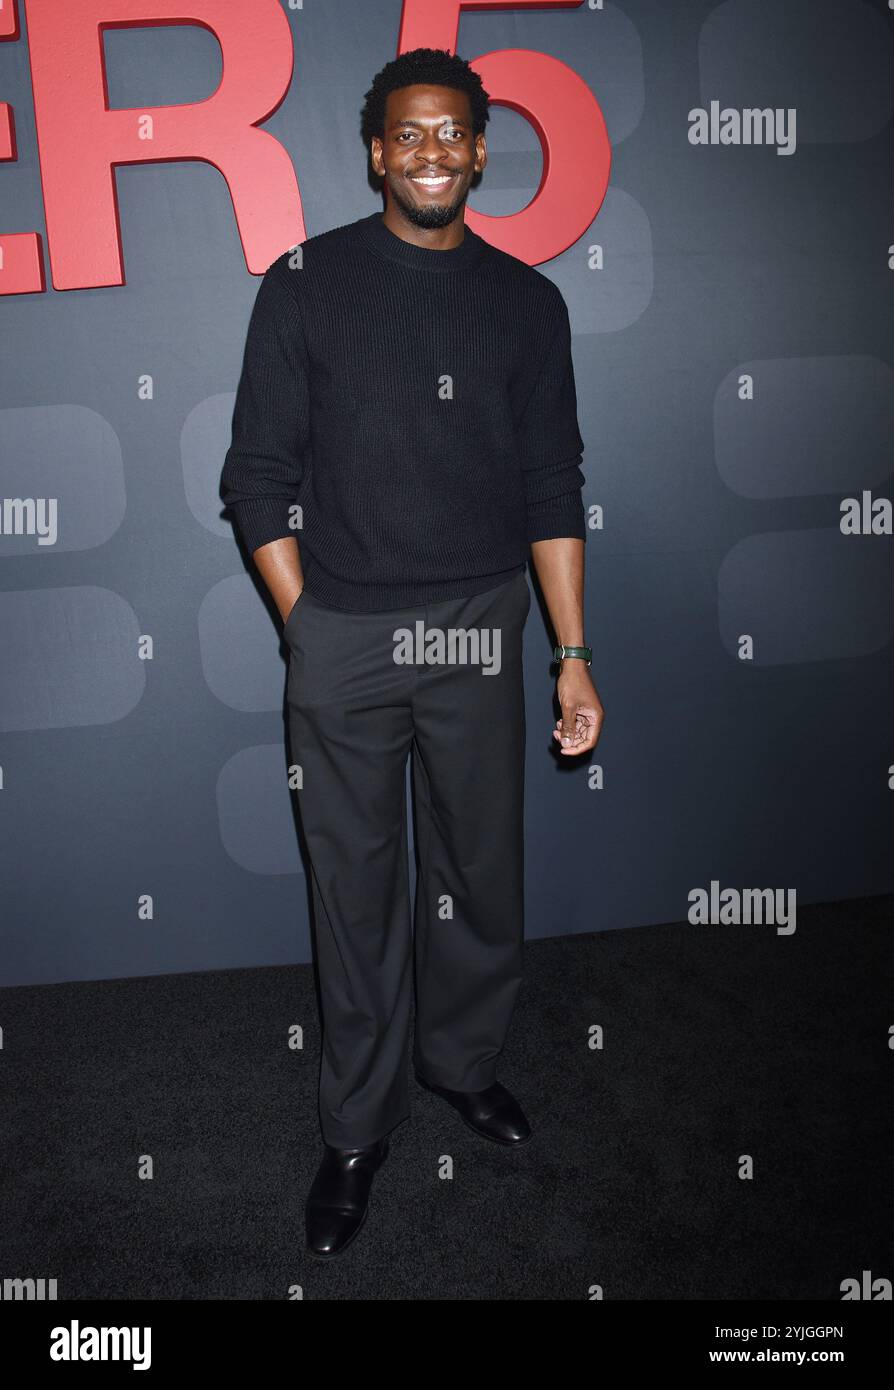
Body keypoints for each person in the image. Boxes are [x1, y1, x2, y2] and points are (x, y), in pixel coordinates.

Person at [220, 46, 604, 1259]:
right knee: (358, 897)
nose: (432, 150)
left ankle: (462, 1064)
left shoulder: (526, 306)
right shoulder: (304, 283)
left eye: (454, 132)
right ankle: (354, 1126)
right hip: (343, 631)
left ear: (481, 150)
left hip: (486, 628)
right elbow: (255, 482)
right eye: (409, 133)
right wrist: (312, 628)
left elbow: (554, 487)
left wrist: (571, 653)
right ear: (378, 152)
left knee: (481, 876)